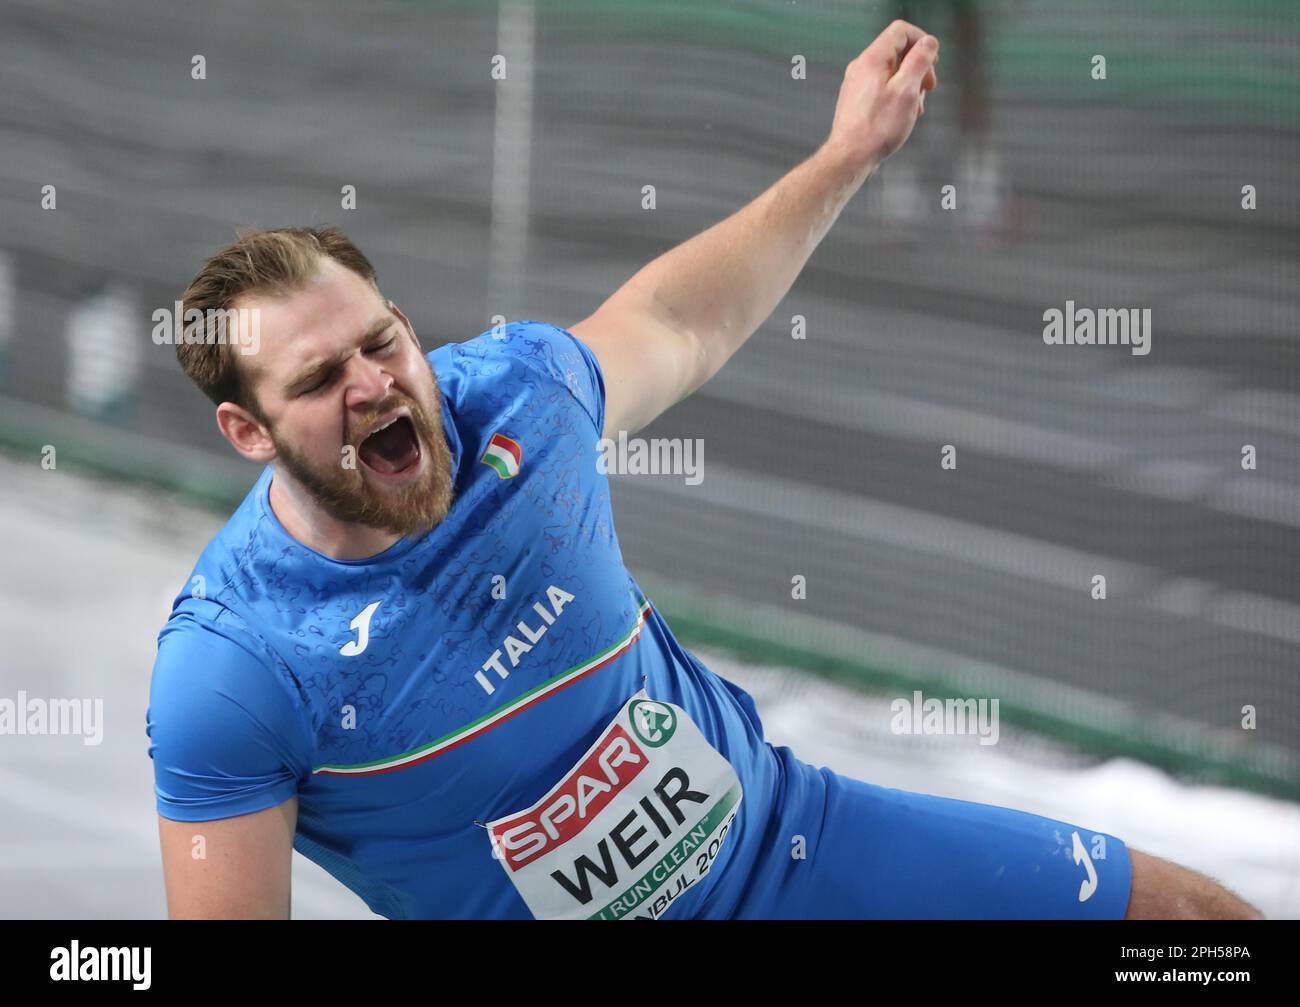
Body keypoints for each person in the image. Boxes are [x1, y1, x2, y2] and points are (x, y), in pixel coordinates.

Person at [148, 21, 1259, 920]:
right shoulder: (238, 666)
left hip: (791, 846)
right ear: (250, 432)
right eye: (320, 378)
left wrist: (845, 156)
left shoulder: (517, 400)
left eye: (379, 343)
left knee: (1190, 923)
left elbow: (679, 322)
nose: (375, 383)